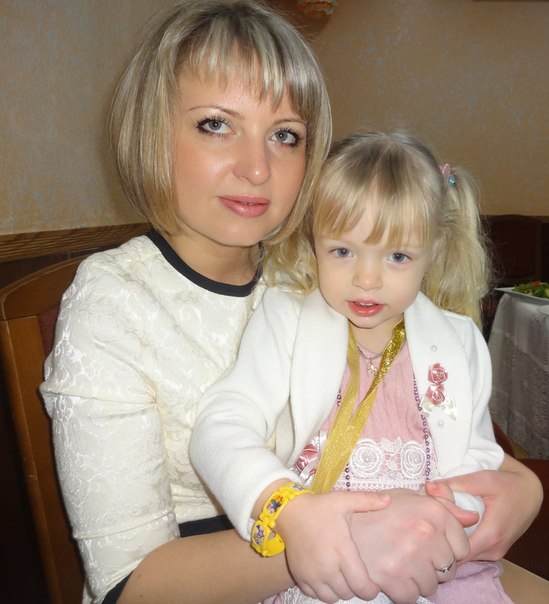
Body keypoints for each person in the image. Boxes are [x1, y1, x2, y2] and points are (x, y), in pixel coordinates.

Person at [39, 0, 541, 602]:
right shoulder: (112, 302)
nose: (257, 168)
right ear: (152, 131)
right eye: (215, 124)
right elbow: (126, 585)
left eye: (284, 135)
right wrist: (341, 537)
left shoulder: (319, 272)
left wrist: (522, 487)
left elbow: (427, 406)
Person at [191, 132, 526, 603]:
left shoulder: (460, 341)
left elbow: (478, 460)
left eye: (398, 256)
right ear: (313, 240)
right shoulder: (286, 321)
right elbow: (220, 427)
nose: (367, 279)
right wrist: (286, 509)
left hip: (438, 565)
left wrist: (445, 518)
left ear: (433, 249)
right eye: (343, 251)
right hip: (326, 563)